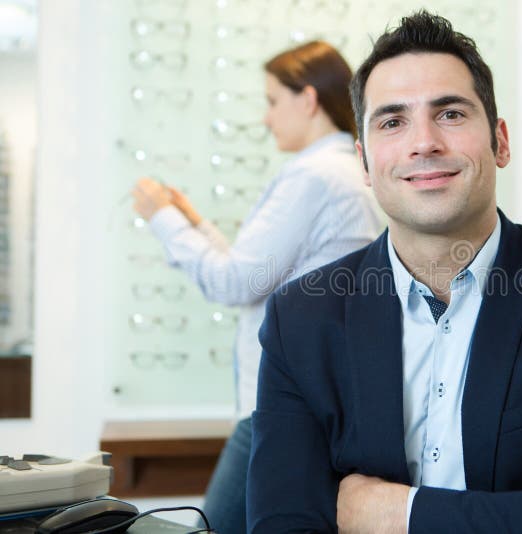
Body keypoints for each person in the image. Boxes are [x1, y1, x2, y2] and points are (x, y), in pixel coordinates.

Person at [247, 12, 522, 533]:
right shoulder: (300, 319)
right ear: (365, 164)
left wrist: (395, 513)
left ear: (500, 142)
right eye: (393, 122)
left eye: (451, 114)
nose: (424, 143)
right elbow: (283, 526)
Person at [131, 41, 383, 534]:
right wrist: (197, 225)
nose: (265, 119)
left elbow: (233, 283)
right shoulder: (343, 172)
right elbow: (259, 275)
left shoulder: (315, 177)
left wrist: (161, 217)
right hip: (309, 399)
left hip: (279, 405)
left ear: (307, 99)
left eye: (271, 101)